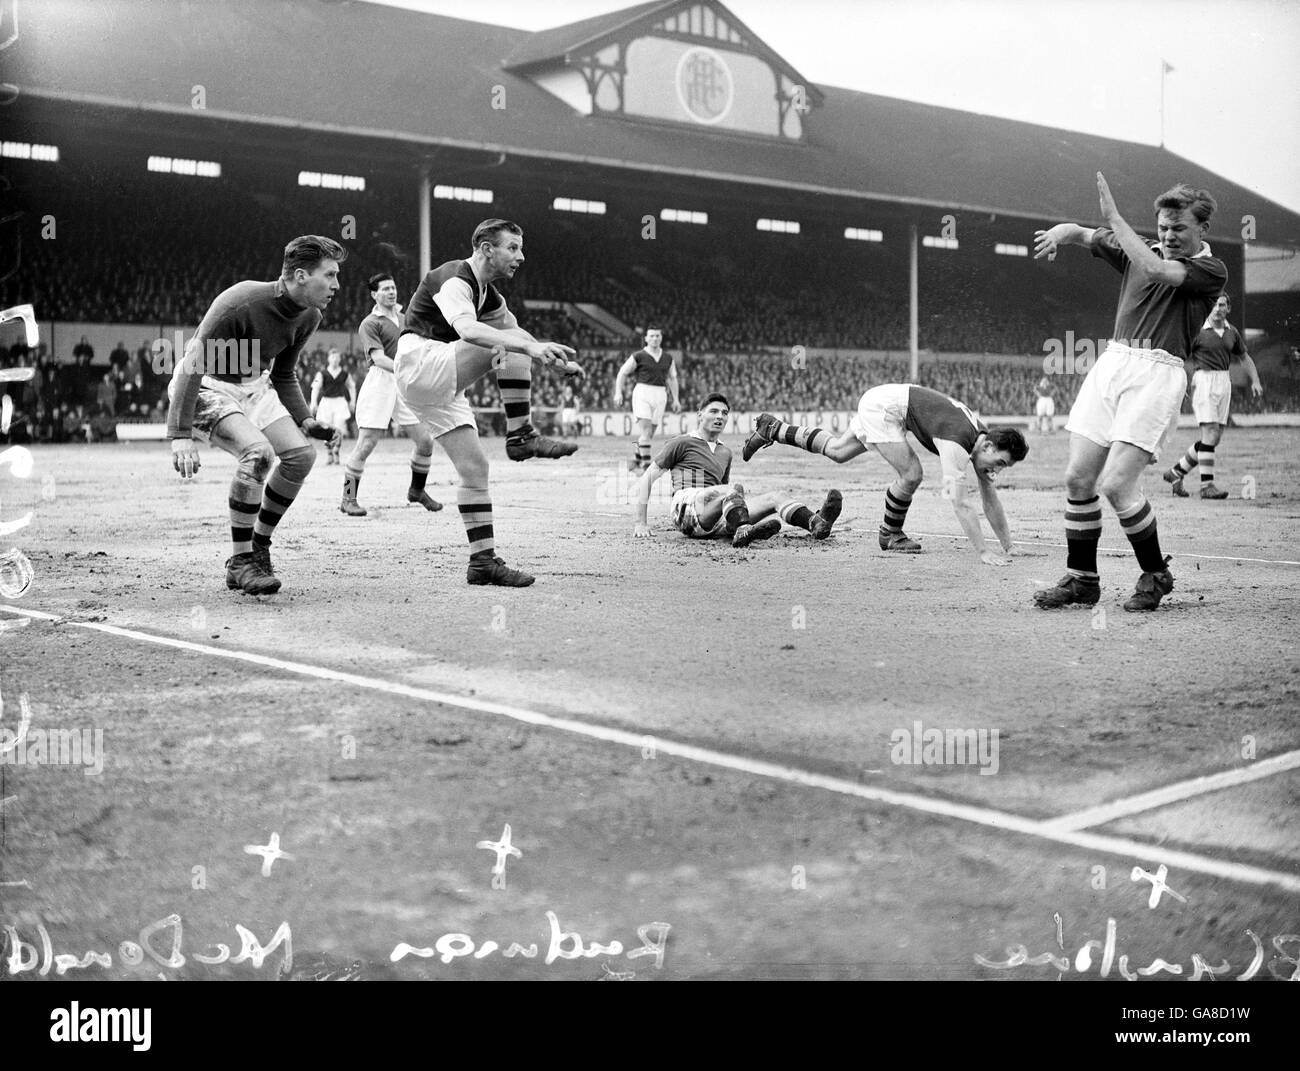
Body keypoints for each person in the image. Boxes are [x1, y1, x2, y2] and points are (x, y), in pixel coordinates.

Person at [1031, 175, 1226, 611]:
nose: (1169, 236)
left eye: (1180, 228)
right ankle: (1082, 579)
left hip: (1159, 371)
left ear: (1202, 230)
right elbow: (1082, 234)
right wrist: (1059, 236)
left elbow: (1157, 270)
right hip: (1113, 362)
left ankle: (1155, 573)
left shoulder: (1211, 270)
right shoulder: (1140, 247)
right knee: (1078, 479)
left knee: (1117, 484)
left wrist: (1115, 220)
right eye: (1163, 227)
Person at [394, 218, 581, 588]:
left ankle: (482, 562)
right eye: (513, 248)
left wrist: (552, 360)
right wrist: (528, 347)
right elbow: (469, 330)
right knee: (506, 341)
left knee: (475, 469)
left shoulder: (490, 295)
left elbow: (517, 334)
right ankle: (521, 435)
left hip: (437, 380)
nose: (521, 256)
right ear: (485, 249)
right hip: (421, 361)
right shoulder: (454, 277)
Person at [167, 234, 346, 595]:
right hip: (207, 384)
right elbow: (192, 364)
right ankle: (240, 562)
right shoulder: (240, 301)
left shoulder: (310, 315)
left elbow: (282, 373)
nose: (336, 285)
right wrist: (180, 434)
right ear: (299, 275)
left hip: (254, 387)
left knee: (300, 456)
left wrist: (305, 419)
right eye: (329, 275)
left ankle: (258, 546)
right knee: (258, 454)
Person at [742, 384, 1027, 566]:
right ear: (988, 445)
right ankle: (890, 533)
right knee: (912, 474)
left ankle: (773, 429)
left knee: (838, 451)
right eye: (1000, 462)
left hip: (886, 399)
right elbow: (960, 503)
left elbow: (990, 497)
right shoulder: (957, 444)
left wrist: (1008, 546)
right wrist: (983, 552)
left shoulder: (981, 438)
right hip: (886, 408)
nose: (997, 470)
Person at [633, 393, 842, 547]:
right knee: (732, 489)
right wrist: (640, 523)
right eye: (713, 411)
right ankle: (743, 529)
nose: (720, 417)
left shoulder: (725, 452)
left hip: (714, 518)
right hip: (685, 507)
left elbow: (724, 493)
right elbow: (646, 479)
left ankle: (816, 522)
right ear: (699, 415)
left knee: (775, 497)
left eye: (724, 413)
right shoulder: (681, 442)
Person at [341, 273, 442, 516]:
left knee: (425, 441)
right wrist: (406, 370)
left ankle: (417, 491)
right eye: (385, 288)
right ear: (374, 294)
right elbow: (378, 359)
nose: (391, 292)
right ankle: (347, 498)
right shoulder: (369, 323)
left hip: (405, 383)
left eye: (393, 287)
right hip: (381, 382)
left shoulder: (405, 318)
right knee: (366, 444)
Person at [1162, 293, 1262, 498]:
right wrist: (1180, 383)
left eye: (1222, 305)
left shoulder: (1232, 332)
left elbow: (1244, 357)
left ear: (1228, 308)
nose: (1218, 308)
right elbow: (1179, 356)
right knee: (1210, 433)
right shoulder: (1198, 330)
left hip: (1224, 382)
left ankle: (1176, 472)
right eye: (1215, 305)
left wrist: (1256, 381)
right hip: (1204, 381)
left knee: (1213, 438)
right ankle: (1206, 486)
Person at [613, 327, 679, 472]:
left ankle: (636, 459)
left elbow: (672, 378)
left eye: (657, 335)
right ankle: (646, 466)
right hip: (643, 393)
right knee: (646, 430)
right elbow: (622, 372)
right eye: (652, 336)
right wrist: (618, 392)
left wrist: (676, 399)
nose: (655, 338)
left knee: (649, 434)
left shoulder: (668, 358)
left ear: (661, 338)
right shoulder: (638, 356)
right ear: (646, 338)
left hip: (661, 394)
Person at [309, 348, 355, 465]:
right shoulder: (322, 373)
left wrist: (352, 401)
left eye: (337, 357)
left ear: (339, 359)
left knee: (339, 428)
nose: (335, 359)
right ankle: (329, 453)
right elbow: (315, 388)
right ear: (329, 359)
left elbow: (351, 386)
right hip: (326, 402)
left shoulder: (344, 374)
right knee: (326, 428)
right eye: (332, 357)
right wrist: (313, 402)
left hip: (340, 402)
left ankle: (336, 451)